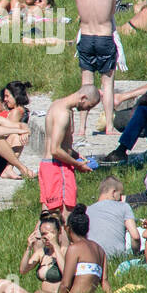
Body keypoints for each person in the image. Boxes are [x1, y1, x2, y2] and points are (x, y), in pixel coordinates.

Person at [39, 86, 101, 219]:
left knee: (47, 216)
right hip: (57, 167)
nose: (87, 110)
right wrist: (77, 165)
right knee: (64, 216)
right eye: (88, 106)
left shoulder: (57, 105)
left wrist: (77, 155)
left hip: (48, 166)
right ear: (83, 98)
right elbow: (55, 150)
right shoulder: (64, 114)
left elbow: (61, 144)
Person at [73, 0, 119, 137]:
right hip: (104, 37)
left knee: (86, 84)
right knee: (107, 84)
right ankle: (109, 126)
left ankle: (82, 128)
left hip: (86, 35)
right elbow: (111, 13)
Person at [58, 204, 110, 293]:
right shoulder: (100, 249)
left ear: (68, 228)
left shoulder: (74, 248)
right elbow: (104, 282)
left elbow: (65, 285)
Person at [86, 175, 141, 257]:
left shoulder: (87, 210)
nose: (121, 198)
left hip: (94, 257)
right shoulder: (124, 206)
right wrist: (136, 255)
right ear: (113, 192)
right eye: (120, 194)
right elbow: (135, 236)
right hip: (117, 256)